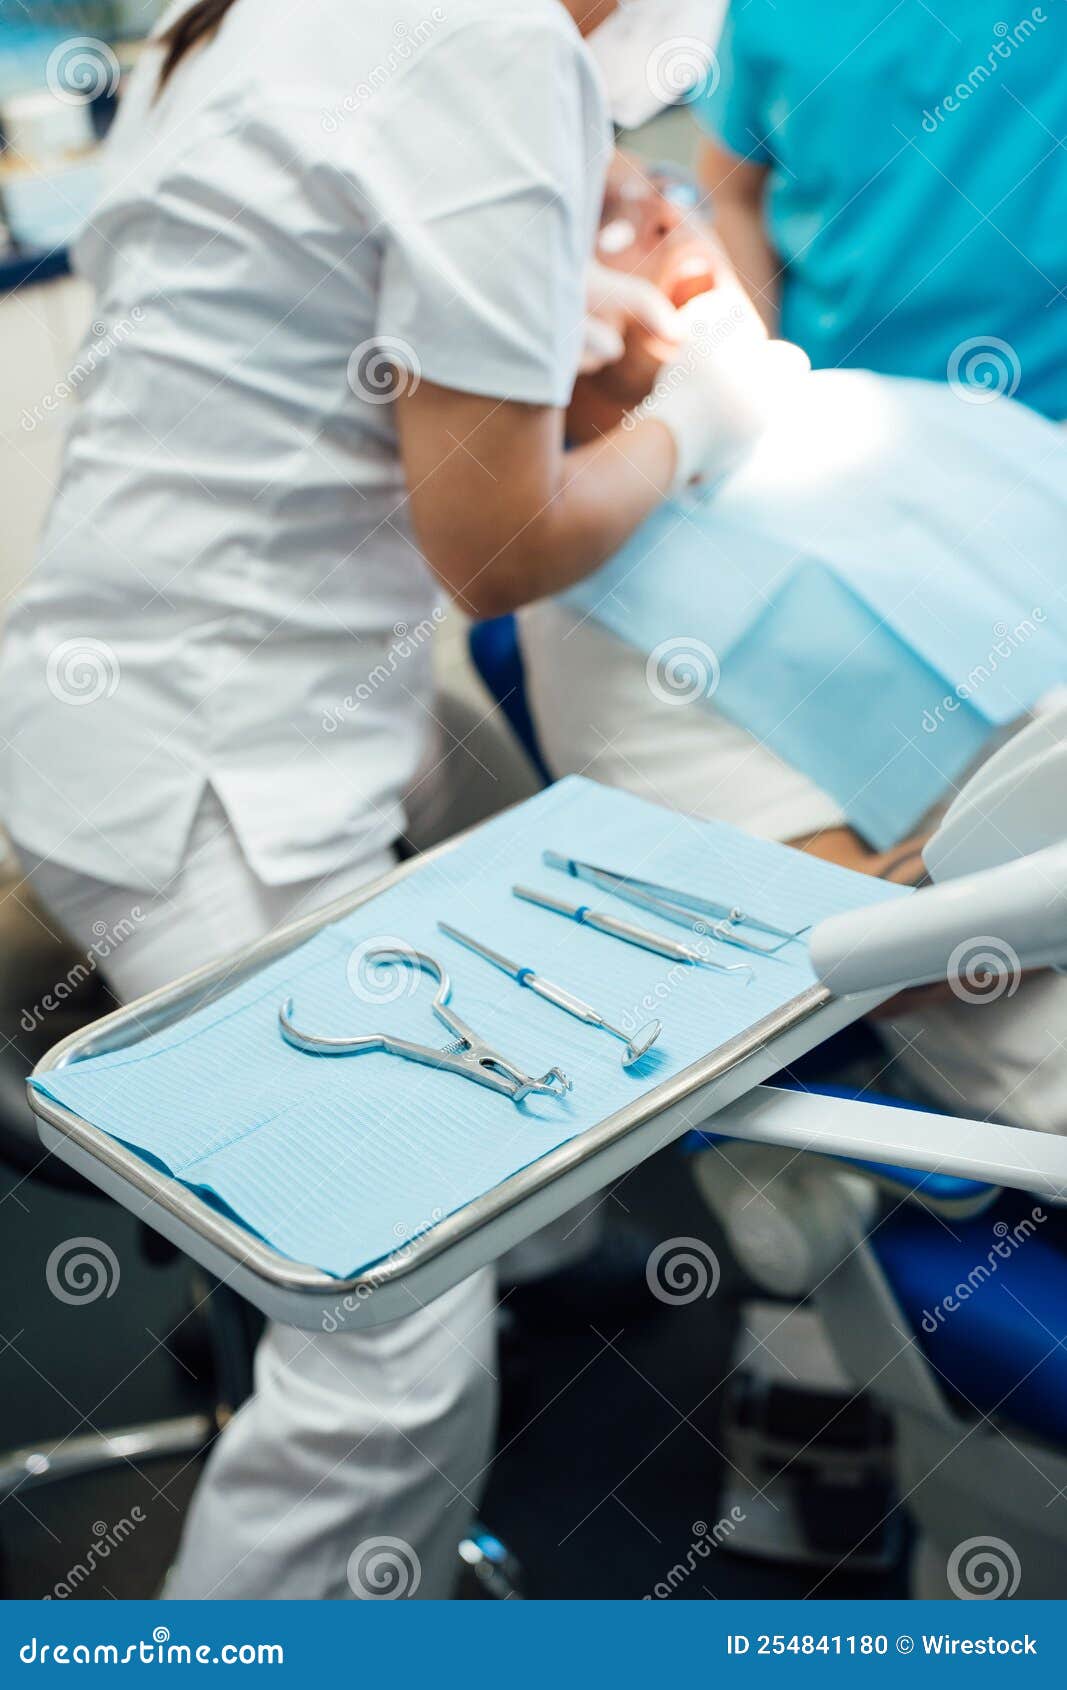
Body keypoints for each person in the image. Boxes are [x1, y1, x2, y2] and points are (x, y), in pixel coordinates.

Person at [0, 0, 749, 1599]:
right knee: (390, 1372)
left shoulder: (248, 18)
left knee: (497, 1069)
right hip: (213, 779)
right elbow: (495, 549)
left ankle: (522, 1245)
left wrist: (568, 305)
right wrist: (703, 416)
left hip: (109, 725)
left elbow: (290, 329)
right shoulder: (493, 41)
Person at [520, 157, 1067, 1137]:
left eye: (659, 189)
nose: (658, 219)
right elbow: (833, 952)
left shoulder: (911, 412)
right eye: (598, 222)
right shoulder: (601, 624)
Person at [697, 0, 1067, 418]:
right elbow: (732, 194)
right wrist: (759, 368)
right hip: (831, 400)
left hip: (1044, 399)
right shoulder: (763, 13)